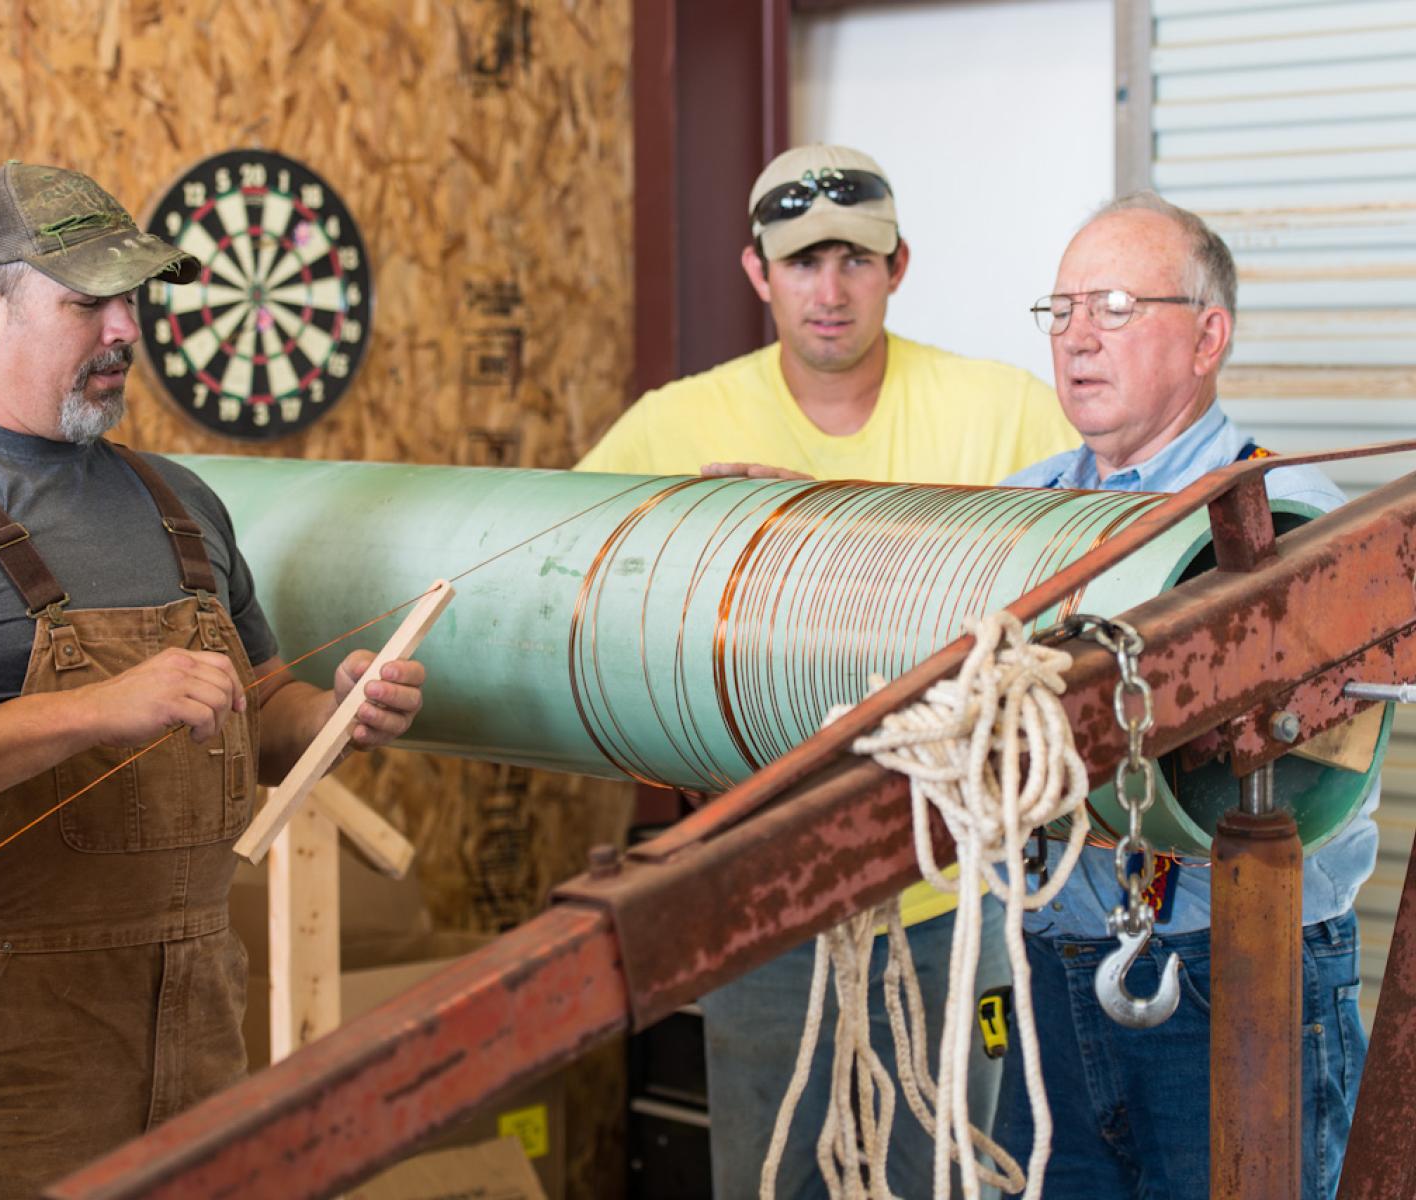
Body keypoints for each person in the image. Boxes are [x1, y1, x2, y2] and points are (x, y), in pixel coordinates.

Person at [0, 163, 427, 1200]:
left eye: (132, 299)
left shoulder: (181, 502)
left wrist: (337, 714)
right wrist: (95, 708)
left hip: (195, 1045)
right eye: (88, 301)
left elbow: (264, 706)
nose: (126, 331)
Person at [579, 143, 1076, 1199]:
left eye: (855, 259)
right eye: (801, 262)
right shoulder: (675, 426)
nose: (830, 289)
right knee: (772, 1180)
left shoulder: (1008, 412)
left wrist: (823, 535)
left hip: (953, 889)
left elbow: (1096, 600)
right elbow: (561, 576)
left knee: (953, 1177)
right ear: (756, 272)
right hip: (762, 887)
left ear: (900, 266)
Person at [994, 191, 1368, 1200]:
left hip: (1226, 978)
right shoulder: (1013, 512)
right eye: (1060, 309)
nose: (1076, 336)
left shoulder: (1287, 524)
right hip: (1048, 974)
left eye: (1114, 307)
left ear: (1208, 336)